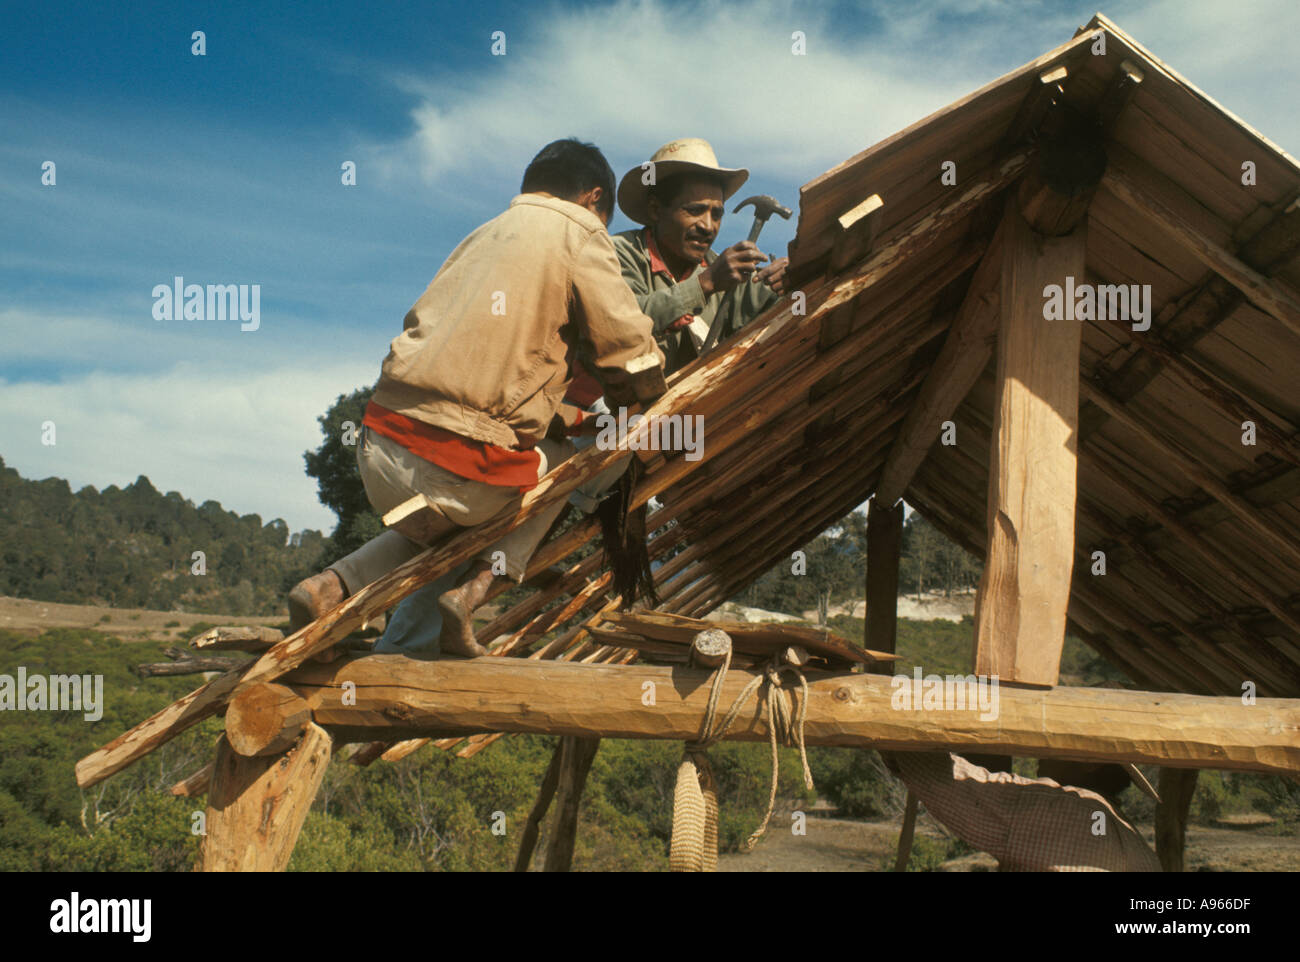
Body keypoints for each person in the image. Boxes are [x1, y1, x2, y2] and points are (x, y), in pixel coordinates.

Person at [288, 138, 667, 659]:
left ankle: (330, 586)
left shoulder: (480, 235)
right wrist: (648, 401)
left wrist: (556, 412)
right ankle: (470, 596)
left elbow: (479, 376)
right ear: (592, 199)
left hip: (379, 451)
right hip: (460, 467)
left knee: (447, 519)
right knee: (570, 467)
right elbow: (630, 353)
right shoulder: (580, 232)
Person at [563, 138, 791, 517]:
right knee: (623, 443)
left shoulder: (716, 267)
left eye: (717, 214)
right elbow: (617, 325)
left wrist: (776, 290)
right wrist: (703, 285)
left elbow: (740, 324)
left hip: (668, 428)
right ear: (656, 209)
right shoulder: (615, 255)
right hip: (599, 418)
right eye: (695, 211)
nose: (708, 226)